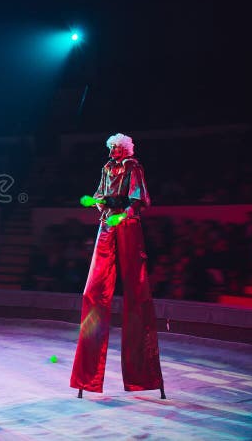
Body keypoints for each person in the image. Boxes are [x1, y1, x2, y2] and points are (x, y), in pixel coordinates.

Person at [70, 133, 165, 399]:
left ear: (125, 149)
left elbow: (138, 199)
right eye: (110, 147)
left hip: (126, 225)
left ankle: (144, 375)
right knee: (93, 291)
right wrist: (96, 203)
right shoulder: (106, 167)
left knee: (137, 290)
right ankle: (87, 377)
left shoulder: (133, 167)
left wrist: (122, 215)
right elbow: (100, 195)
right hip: (107, 225)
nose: (112, 151)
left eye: (116, 148)